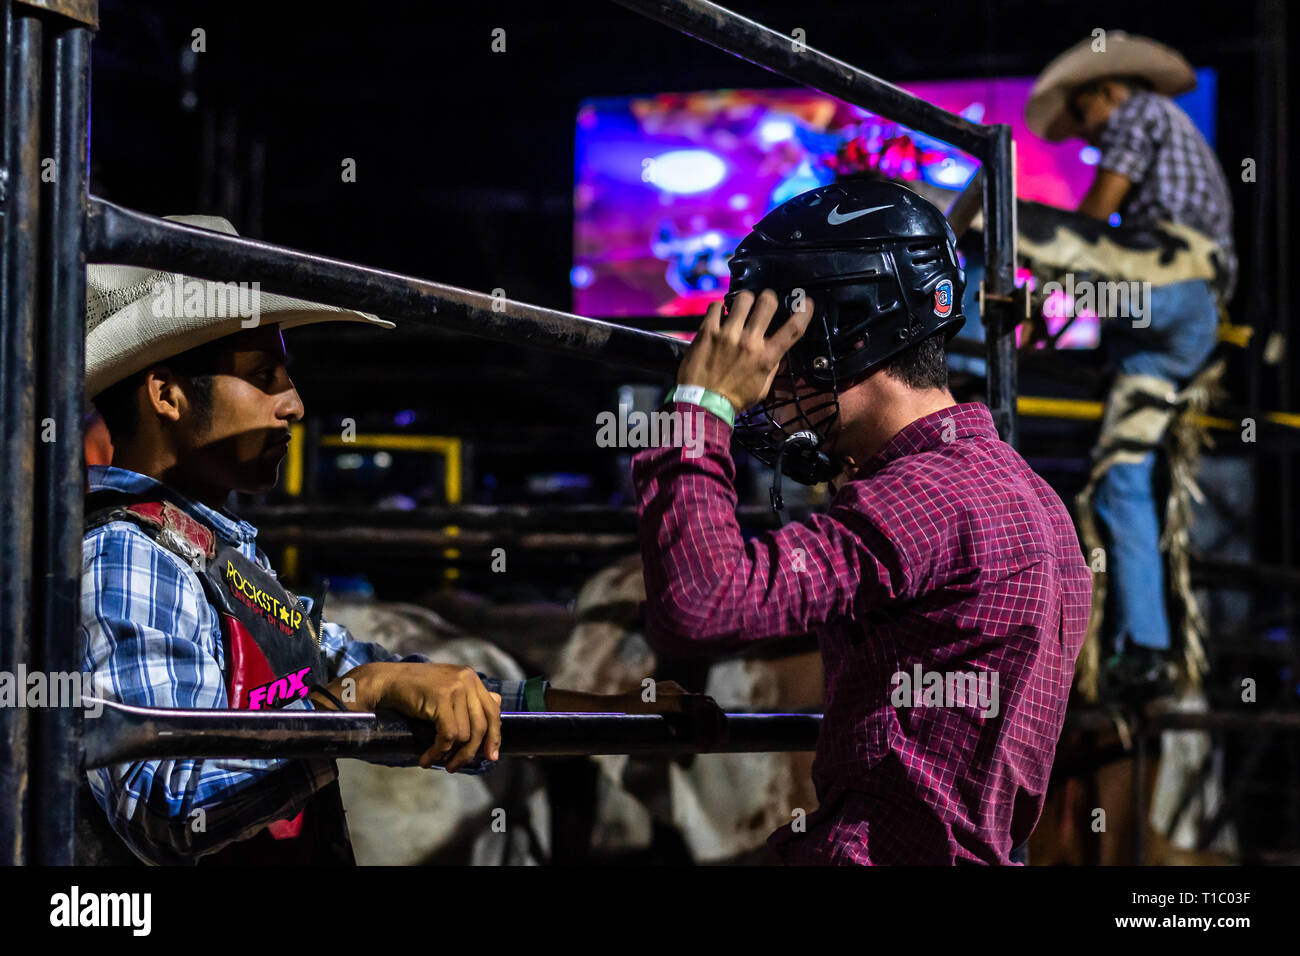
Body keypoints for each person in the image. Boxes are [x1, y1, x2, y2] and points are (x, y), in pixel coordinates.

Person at [81, 214, 717, 865]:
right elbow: (167, 808)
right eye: (264, 376)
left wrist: (606, 714)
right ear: (166, 395)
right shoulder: (130, 555)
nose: (294, 404)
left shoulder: (216, 555)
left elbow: (359, 668)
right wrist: (361, 699)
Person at [632, 181, 1092, 864]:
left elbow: (701, 602)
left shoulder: (923, 498)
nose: (769, 383)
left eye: (781, 352)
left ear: (843, 334)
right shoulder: (1028, 496)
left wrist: (702, 405)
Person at [1026, 32, 1235, 696]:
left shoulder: (1139, 111)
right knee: (1123, 476)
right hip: (1174, 328)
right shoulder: (1172, 133)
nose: (1088, 136)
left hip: (1166, 281)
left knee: (1024, 232)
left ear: (1107, 91)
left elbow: (1097, 213)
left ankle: (972, 312)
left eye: (1086, 118)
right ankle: (1142, 646)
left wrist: (1042, 282)